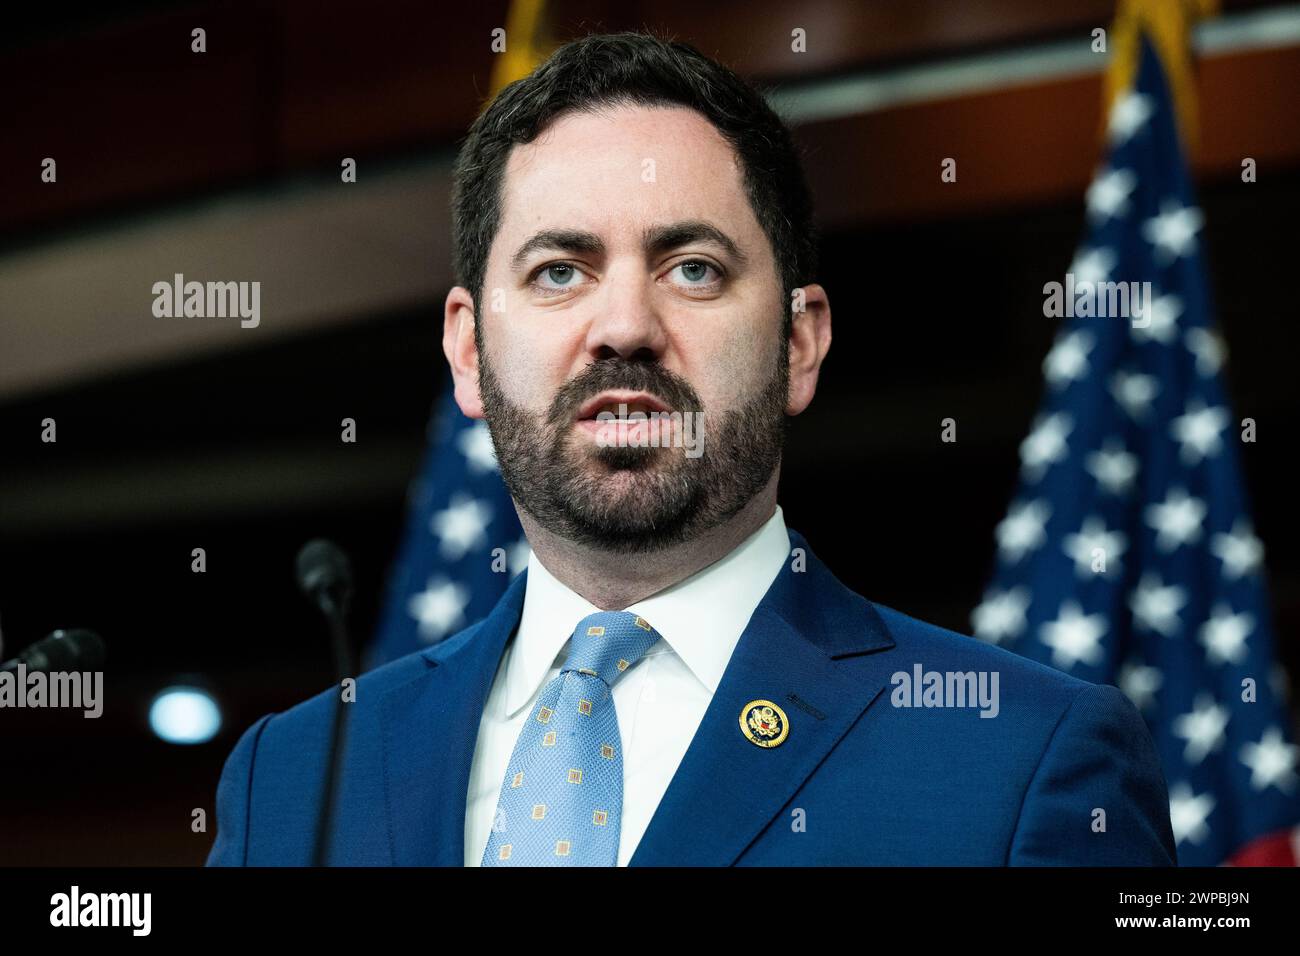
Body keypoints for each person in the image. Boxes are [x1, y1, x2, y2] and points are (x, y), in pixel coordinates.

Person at [207, 32, 1176, 866]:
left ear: (798, 343)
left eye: (694, 269)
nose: (624, 326)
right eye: (559, 271)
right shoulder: (290, 779)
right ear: (468, 349)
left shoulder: (1019, 757)